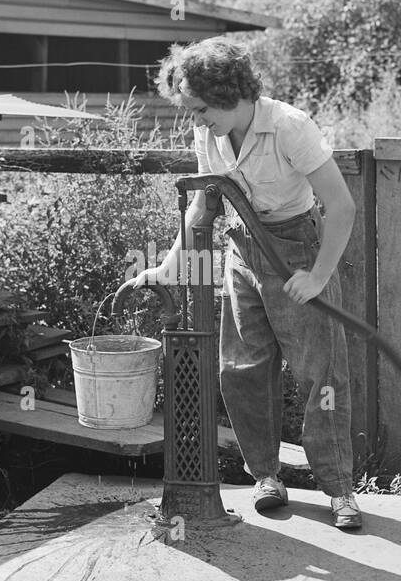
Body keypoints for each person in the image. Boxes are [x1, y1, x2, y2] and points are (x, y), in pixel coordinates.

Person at [125, 37, 361, 529]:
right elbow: (203, 206)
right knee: (242, 369)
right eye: (189, 111)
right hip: (242, 251)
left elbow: (341, 207)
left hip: (296, 252)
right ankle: (267, 477)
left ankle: (340, 492)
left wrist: (317, 277)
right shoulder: (209, 134)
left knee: (321, 377)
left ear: (230, 92)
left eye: (200, 108)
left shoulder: (290, 127)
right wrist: (167, 268)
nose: (195, 120)